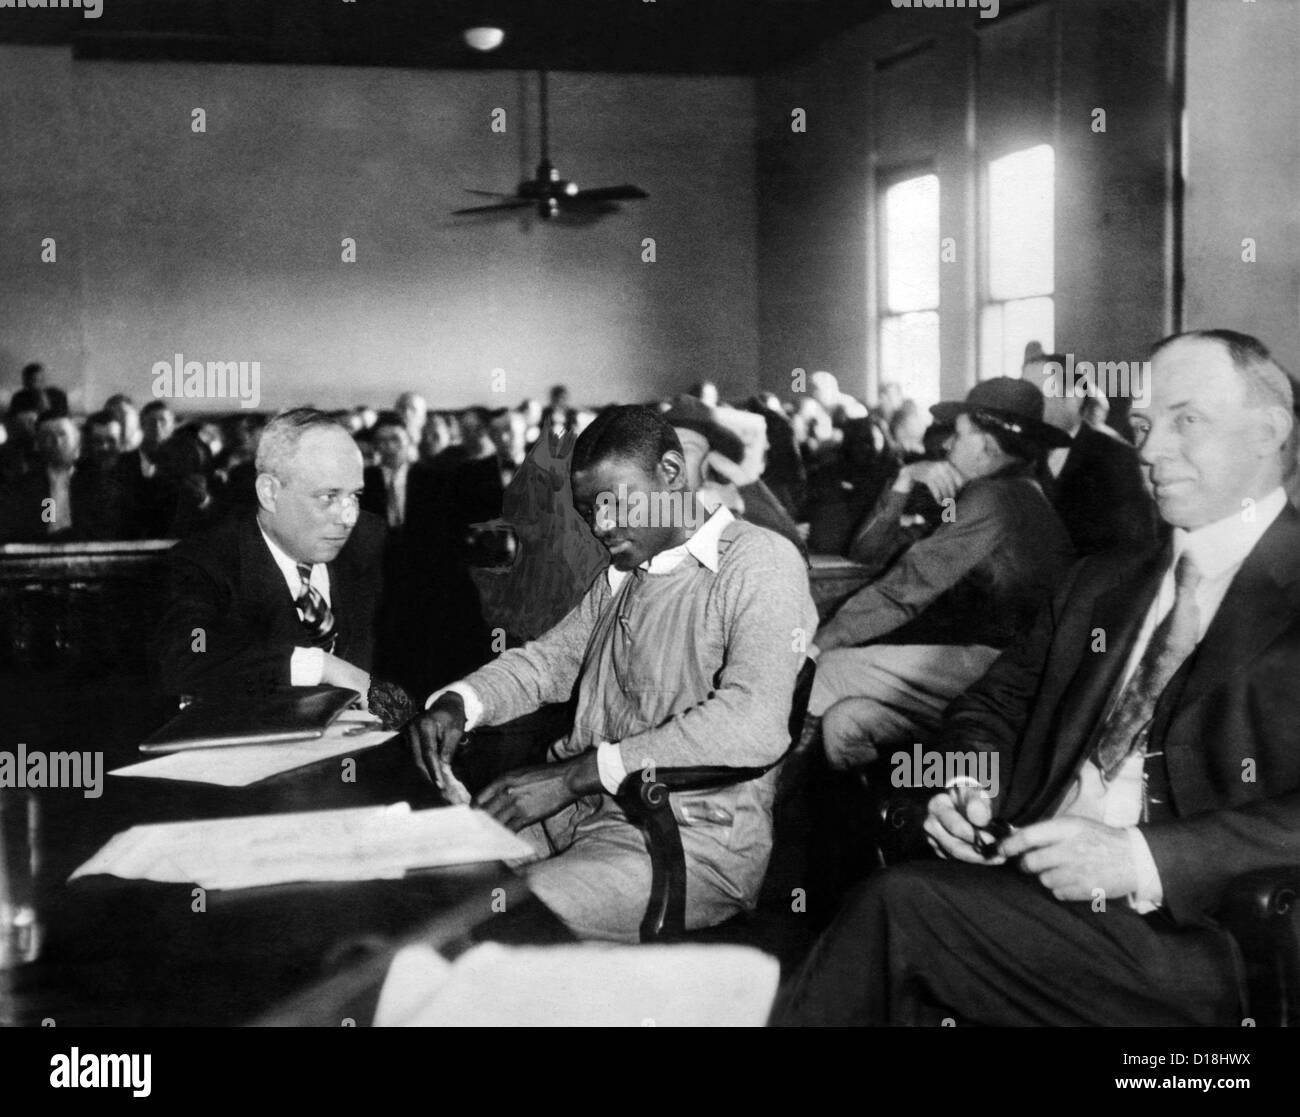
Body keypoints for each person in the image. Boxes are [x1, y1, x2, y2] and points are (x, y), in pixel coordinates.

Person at [773, 330, 1300, 1026]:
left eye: (1186, 420)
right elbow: (989, 705)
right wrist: (970, 783)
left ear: (1267, 432)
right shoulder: (1101, 582)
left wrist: (1140, 857)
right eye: (1142, 424)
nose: (1149, 449)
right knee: (905, 915)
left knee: (900, 909)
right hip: (1035, 889)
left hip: (1212, 937)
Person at [407, 405, 817, 942]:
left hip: (687, 844)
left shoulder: (759, 561)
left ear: (671, 473)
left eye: (614, 503)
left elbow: (753, 722)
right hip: (583, 822)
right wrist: (461, 702)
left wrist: (577, 774)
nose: (601, 527)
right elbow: (547, 663)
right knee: (424, 890)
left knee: (494, 925)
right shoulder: (626, 573)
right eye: (588, 511)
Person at [810, 378, 1074, 770]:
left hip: (1007, 672)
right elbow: (868, 553)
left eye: (960, 434)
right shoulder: (1002, 493)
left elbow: (906, 589)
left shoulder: (996, 499)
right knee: (845, 722)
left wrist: (815, 647)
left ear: (985, 447)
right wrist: (903, 481)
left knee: (823, 673)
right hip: (1004, 670)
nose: (948, 444)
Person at [151, 408, 389, 706]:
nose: (348, 517)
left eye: (354, 496)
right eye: (328, 497)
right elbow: (189, 654)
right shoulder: (204, 563)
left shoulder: (370, 541)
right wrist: (320, 667)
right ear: (269, 492)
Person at [1027, 351, 1157, 556]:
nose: (1024, 407)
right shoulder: (1022, 453)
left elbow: (1132, 546)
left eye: (1036, 396)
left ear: (1074, 398)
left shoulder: (1117, 458)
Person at [662, 394, 808, 560]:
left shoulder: (728, 507)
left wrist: (746, 483)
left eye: (688, 449)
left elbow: (790, 549)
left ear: (708, 461)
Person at [0, 413, 126, 542]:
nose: (56, 442)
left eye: (62, 434)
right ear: (37, 444)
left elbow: (105, 528)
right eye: (47, 436)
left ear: (77, 440)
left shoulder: (99, 481)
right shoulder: (24, 486)